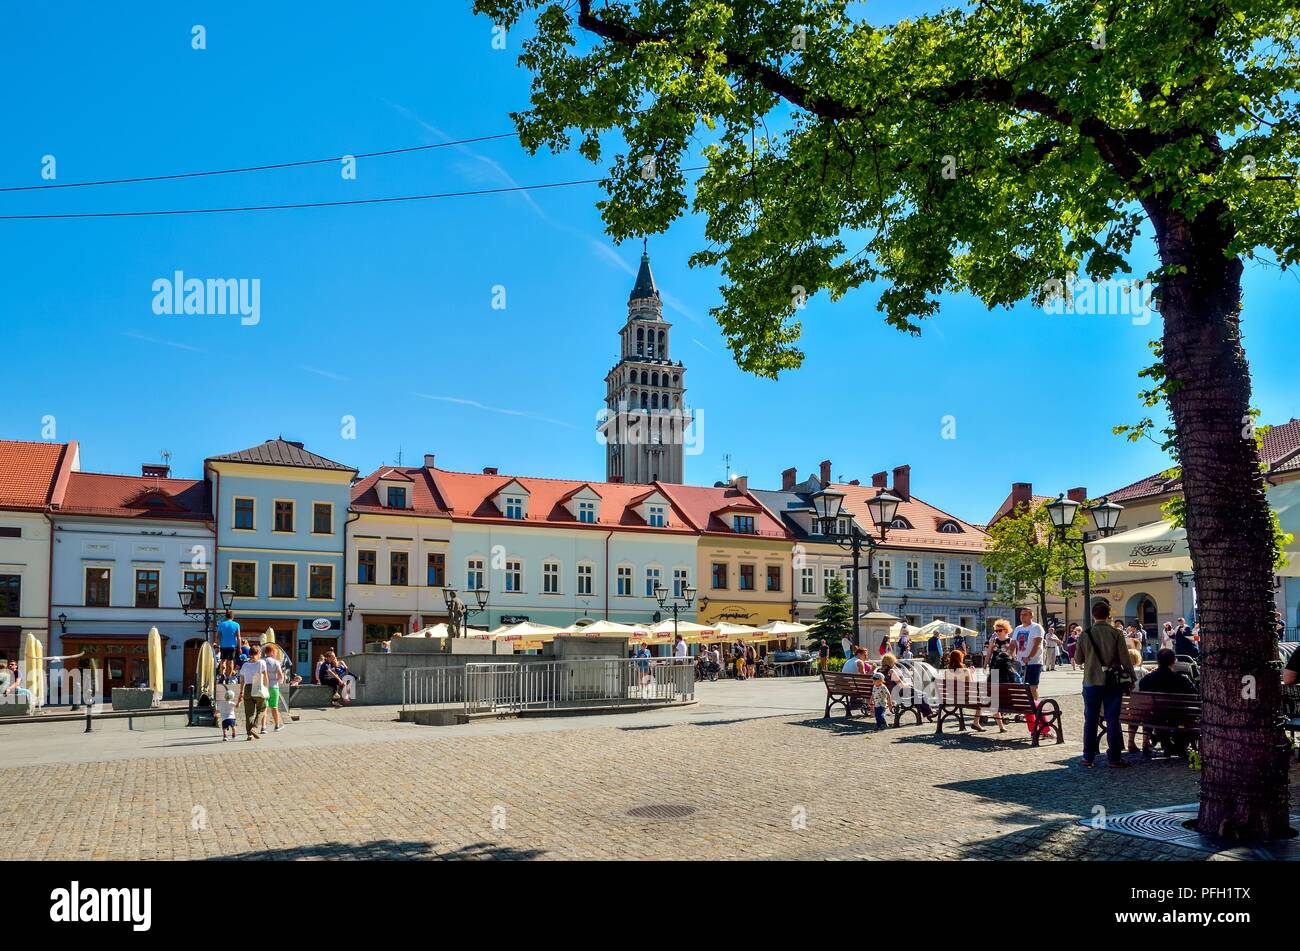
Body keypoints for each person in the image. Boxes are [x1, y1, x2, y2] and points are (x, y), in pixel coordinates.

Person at [1075, 601, 1137, 768]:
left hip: (1091, 681)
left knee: (1090, 719)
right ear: (1109, 614)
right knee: (1112, 719)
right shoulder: (1115, 633)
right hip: (1112, 682)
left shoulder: (1085, 634)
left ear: (1094, 615)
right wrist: (1131, 678)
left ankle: (1088, 756)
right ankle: (1114, 758)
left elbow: (1078, 659)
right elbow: (1126, 659)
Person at [1135, 648, 1198, 757]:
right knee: (1187, 718)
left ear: (1158, 661)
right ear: (1174, 661)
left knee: (1160, 716)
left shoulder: (1146, 680)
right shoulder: (1182, 679)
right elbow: (1195, 697)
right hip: (1179, 716)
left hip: (1155, 717)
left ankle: (1168, 745)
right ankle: (1179, 746)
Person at [946, 649, 984, 732]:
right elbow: (972, 685)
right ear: (960, 658)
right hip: (965, 699)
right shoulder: (965, 671)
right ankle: (976, 723)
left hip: (951, 698)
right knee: (982, 700)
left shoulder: (947, 672)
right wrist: (972, 673)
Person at [235, 644, 268, 740]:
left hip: (248, 688)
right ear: (258, 653)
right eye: (260, 653)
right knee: (262, 709)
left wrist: (241, 692)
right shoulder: (261, 663)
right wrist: (267, 689)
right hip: (258, 687)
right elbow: (265, 677)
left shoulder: (245, 665)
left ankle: (249, 734)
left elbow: (242, 680)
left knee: (249, 713)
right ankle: (254, 727)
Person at [1012, 608, 1045, 700]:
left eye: (1025, 615)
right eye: (1021, 615)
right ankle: (1026, 708)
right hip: (1020, 662)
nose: (1022, 617)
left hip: (1034, 662)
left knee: (1032, 687)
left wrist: (1029, 657)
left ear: (1031, 616)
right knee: (1022, 687)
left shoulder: (1036, 627)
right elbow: (1013, 644)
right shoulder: (1018, 628)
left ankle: (1035, 707)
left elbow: (1037, 644)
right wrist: (1009, 655)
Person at [262, 643, 287, 733]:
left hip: (264, 687)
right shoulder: (276, 662)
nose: (276, 654)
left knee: (264, 708)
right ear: (272, 652)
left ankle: (263, 727)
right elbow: (280, 675)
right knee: (274, 707)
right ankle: (277, 725)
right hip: (273, 686)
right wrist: (279, 680)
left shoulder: (261, 661)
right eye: (275, 652)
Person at [215, 610, 240, 683]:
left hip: (223, 646)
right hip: (232, 646)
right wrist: (239, 647)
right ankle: (228, 677)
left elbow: (218, 636)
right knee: (231, 661)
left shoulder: (221, 624)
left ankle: (222, 674)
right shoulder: (236, 625)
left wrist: (217, 646)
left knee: (223, 660)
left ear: (226, 616)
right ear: (233, 617)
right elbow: (238, 637)